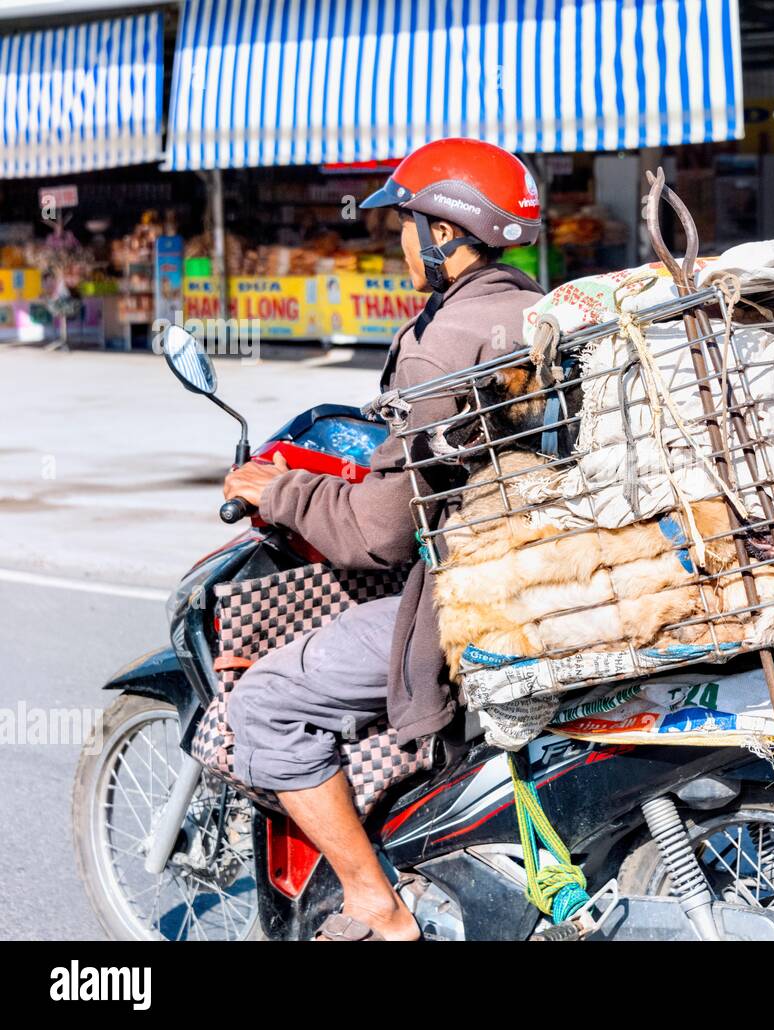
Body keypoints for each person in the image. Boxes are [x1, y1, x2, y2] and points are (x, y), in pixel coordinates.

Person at [221, 139, 543, 941]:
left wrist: (285, 490)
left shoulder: (443, 341)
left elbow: (379, 534)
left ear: (445, 232)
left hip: (472, 599)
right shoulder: (536, 309)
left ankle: (374, 902)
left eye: (406, 220)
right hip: (546, 569)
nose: (398, 239)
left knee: (264, 701)